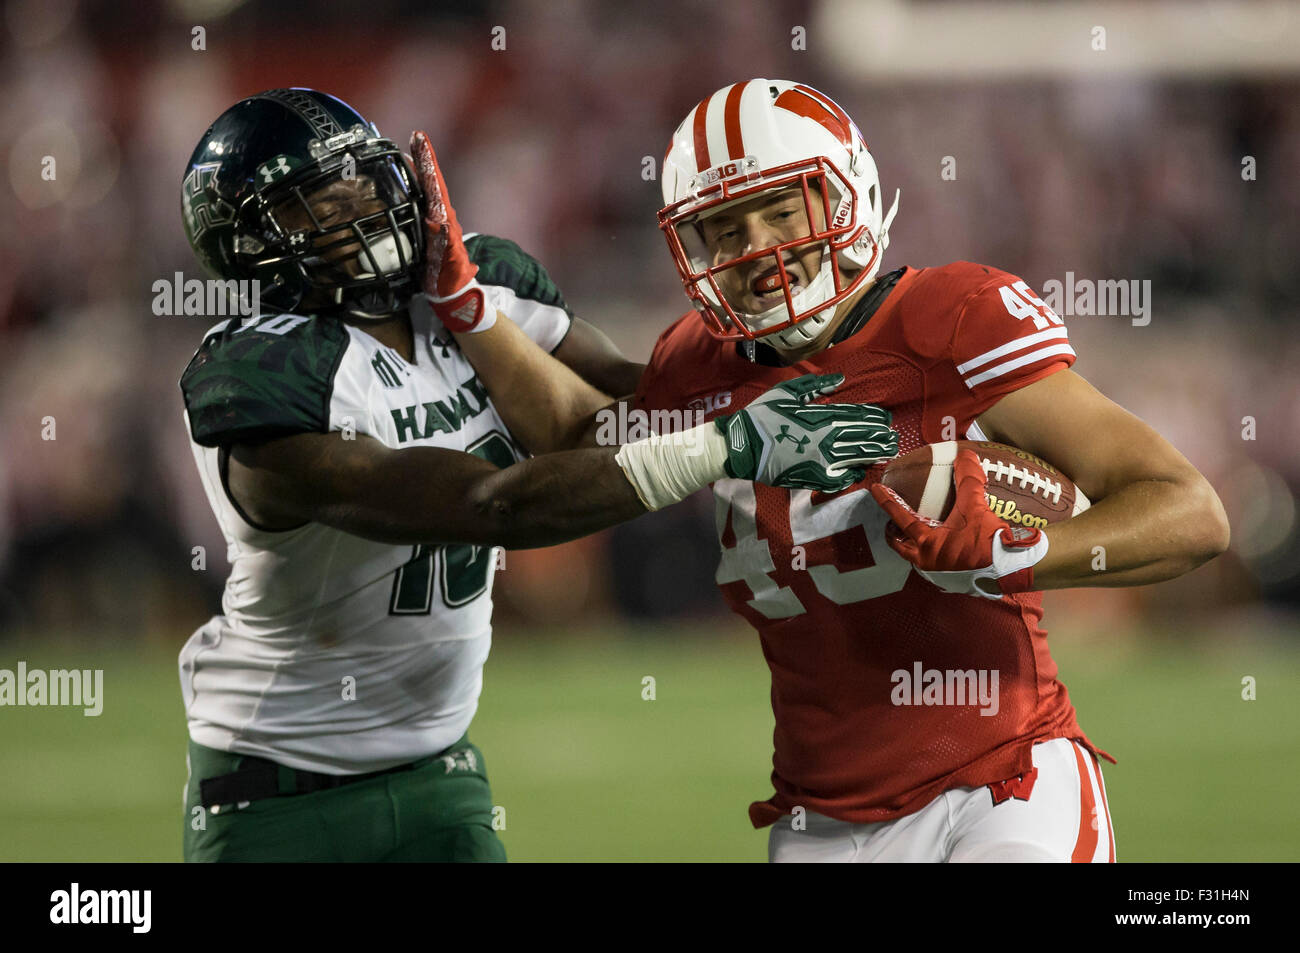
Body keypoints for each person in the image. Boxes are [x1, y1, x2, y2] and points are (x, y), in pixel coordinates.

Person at [174, 87, 899, 862]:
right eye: (314, 203)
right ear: (248, 245)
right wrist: (725, 442)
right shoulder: (267, 373)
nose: (355, 210)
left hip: (440, 771)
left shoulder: (476, 277)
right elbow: (489, 505)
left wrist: (848, 365)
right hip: (276, 793)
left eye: (361, 182)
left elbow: (643, 400)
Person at [622, 79, 1230, 861]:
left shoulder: (950, 320)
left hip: (1003, 785)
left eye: (783, 210)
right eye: (725, 229)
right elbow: (570, 444)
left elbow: (1191, 510)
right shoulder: (694, 368)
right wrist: (480, 311)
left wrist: (1018, 552)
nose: (757, 249)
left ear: (848, 195)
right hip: (818, 822)